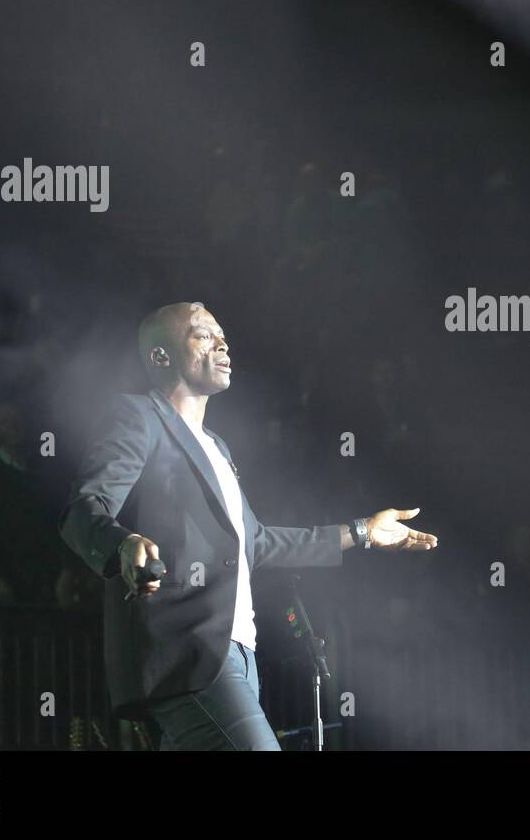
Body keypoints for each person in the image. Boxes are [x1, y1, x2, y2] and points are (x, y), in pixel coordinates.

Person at [58, 302, 438, 750]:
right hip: (189, 654)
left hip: (237, 651)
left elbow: (258, 542)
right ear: (161, 357)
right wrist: (122, 544)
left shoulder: (218, 447)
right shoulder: (139, 417)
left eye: (223, 335)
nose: (222, 343)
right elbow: (84, 508)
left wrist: (361, 533)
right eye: (203, 334)